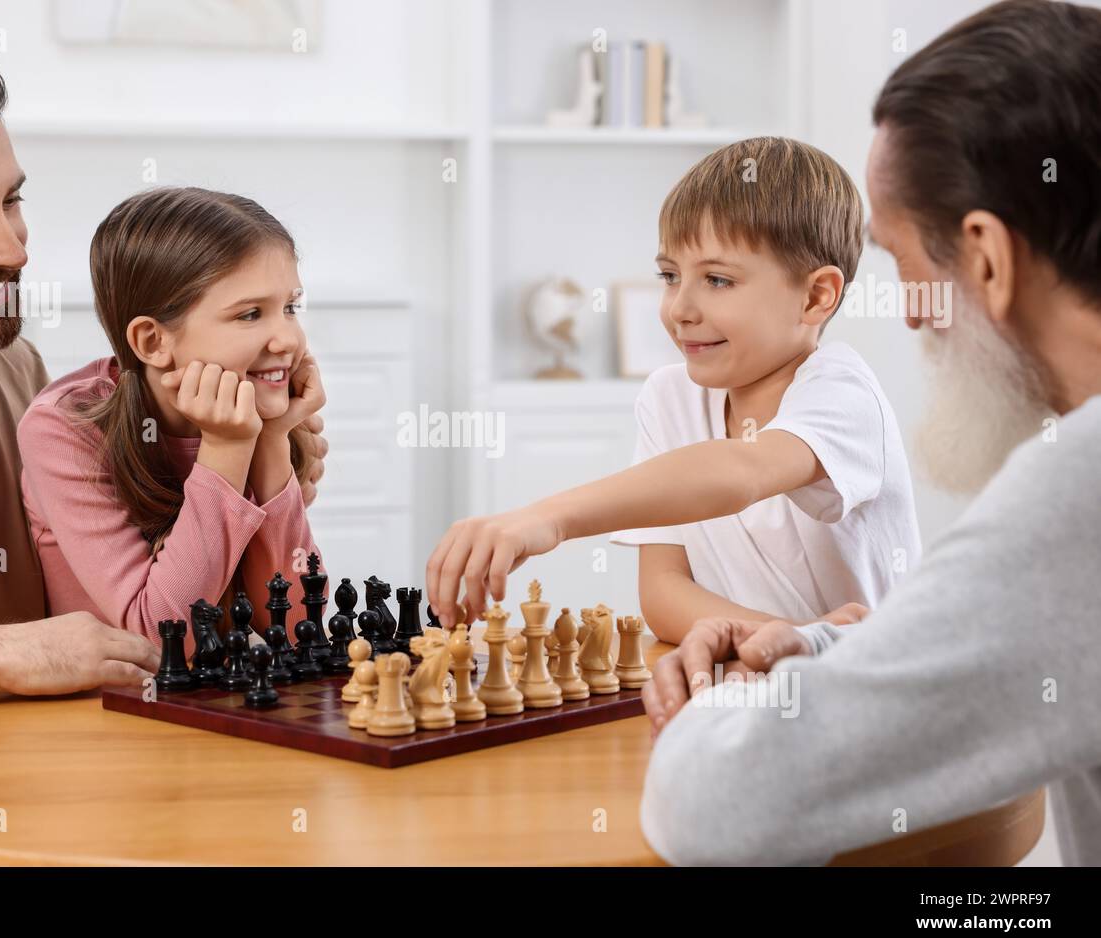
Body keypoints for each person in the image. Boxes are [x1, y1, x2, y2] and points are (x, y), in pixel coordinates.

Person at [640, 0, 1101, 866]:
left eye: (900, 265)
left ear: (988, 259)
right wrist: (819, 642)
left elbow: (713, 808)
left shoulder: (1081, 487)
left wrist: (719, 699)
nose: (916, 323)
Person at [0, 27, 329, 726]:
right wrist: (1, 653)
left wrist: (248, 456)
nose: (12, 248)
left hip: (44, 784)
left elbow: (134, 588)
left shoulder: (15, 371)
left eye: (11, 201)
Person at [425, 137, 918, 641]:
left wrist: (549, 519)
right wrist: (795, 639)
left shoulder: (843, 392)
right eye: (669, 275)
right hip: (762, 684)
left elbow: (741, 470)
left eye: (718, 280)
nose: (679, 308)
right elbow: (664, 594)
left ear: (816, 296)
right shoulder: (668, 396)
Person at [18, 188, 325, 649]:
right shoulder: (62, 429)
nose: (287, 338)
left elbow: (298, 628)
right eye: (249, 314)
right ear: (152, 341)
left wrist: (272, 442)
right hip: (106, 708)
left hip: (223, 700)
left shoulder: (256, 418)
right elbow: (165, 636)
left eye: (290, 308)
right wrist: (226, 449)